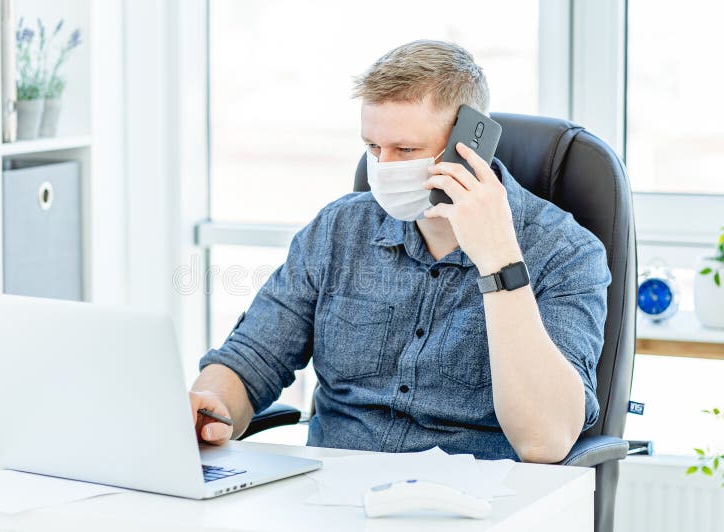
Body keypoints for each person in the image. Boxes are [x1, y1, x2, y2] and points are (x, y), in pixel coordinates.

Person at [190, 40, 611, 463]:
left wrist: (499, 260)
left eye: (406, 150)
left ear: (471, 145)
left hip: (477, 508)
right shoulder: (337, 230)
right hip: (332, 502)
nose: (384, 167)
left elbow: (545, 441)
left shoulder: (565, 252)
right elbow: (250, 361)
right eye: (372, 147)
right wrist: (210, 404)